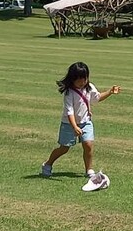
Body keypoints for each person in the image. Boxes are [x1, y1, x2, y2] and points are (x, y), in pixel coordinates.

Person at [40, 61, 120, 189]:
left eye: (85, 79)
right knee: (64, 148)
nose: (82, 82)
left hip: (86, 122)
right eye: (79, 80)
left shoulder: (89, 87)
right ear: (72, 79)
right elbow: (69, 111)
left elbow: (97, 98)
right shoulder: (69, 93)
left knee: (88, 145)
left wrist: (110, 92)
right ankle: (48, 164)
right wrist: (74, 127)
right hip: (69, 124)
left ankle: (89, 170)